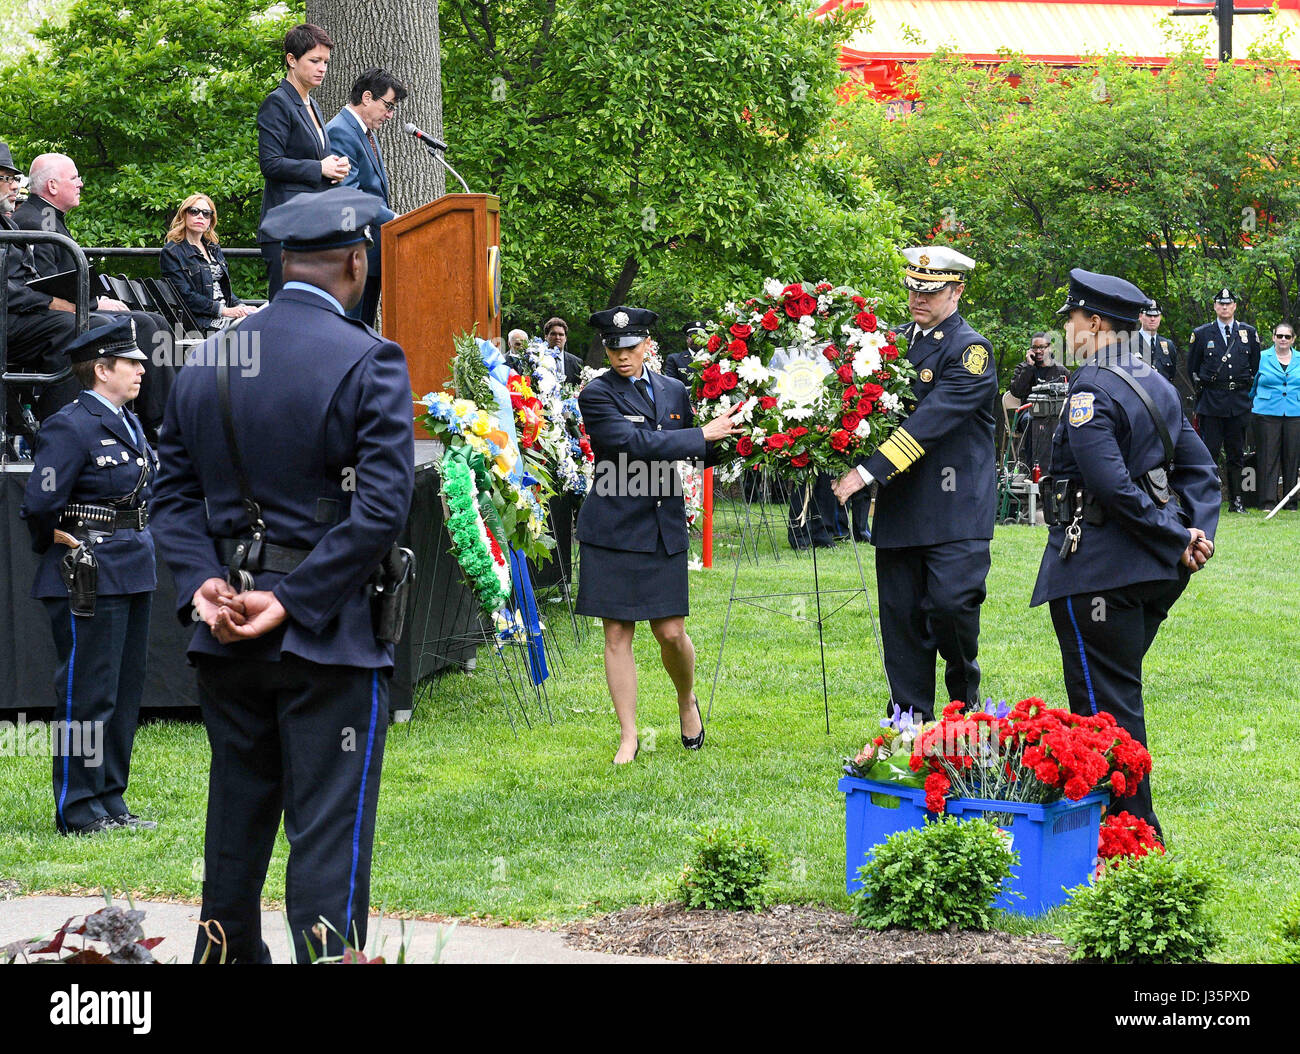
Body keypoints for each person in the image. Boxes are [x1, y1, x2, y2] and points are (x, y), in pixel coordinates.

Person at [151, 188, 414, 963]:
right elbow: (381, 511)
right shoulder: (370, 359)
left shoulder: (212, 358)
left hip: (225, 626)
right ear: (356, 263)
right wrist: (294, 602)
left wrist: (202, 581)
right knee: (326, 841)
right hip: (326, 638)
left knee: (235, 827)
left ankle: (223, 956)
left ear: (280, 261)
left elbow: (169, 490)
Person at [1032, 269, 1220, 838]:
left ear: (1093, 323)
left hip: (1099, 572)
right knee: (1120, 699)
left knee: (1103, 713)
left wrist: (1175, 537)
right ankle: (1127, 831)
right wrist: (1192, 536)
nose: (1067, 328)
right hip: (1154, 573)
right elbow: (1201, 471)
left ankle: (1129, 836)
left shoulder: (1092, 389)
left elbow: (1111, 487)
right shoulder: (1154, 381)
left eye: (1072, 319)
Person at [832, 246, 997, 721]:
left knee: (950, 609)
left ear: (957, 290)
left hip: (954, 510)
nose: (918, 299)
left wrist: (864, 473)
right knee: (902, 620)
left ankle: (964, 701)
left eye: (931, 291)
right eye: (913, 289)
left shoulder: (972, 350)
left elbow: (930, 421)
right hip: (904, 506)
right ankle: (909, 721)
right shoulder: (891, 344)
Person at [575, 305, 744, 764]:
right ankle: (628, 734)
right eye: (613, 348)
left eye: (630, 347)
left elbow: (698, 451)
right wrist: (700, 435)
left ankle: (686, 701)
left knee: (671, 633)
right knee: (617, 634)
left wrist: (748, 433)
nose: (622, 356)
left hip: (661, 525)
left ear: (648, 345)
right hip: (612, 525)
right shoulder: (596, 394)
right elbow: (630, 445)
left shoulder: (674, 390)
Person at [19, 319, 158, 835]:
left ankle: (109, 799)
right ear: (102, 370)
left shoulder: (128, 420)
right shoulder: (70, 424)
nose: (142, 368)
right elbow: (40, 504)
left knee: (123, 691)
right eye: (131, 361)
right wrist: (64, 551)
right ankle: (78, 806)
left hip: (132, 565)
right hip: (88, 572)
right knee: (88, 691)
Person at [11, 152, 173, 439]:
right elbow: (47, 286)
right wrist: (95, 303)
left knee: (154, 322)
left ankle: (163, 421)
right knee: (138, 324)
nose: (80, 183)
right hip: (39, 317)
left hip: (53, 311)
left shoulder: (47, 217)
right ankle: (153, 424)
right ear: (51, 186)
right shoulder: (38, 221)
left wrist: (95, 302)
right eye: (74, 178)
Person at [256, 22, 350, 298]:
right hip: (287, 230)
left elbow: (311, 159)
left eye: (326, 62)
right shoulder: (277, 103)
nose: (322, 68)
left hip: (314, 228)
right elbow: (270, 163)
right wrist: (319, 167)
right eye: (315, 60)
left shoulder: (313, 104)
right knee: (287, 314)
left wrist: (333, 168)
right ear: (292, 60)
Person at [0, 140, 79, 423]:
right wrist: (49, 302)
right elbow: (4, 289)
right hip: (8, 319)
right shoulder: (27, 221)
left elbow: (26, 278)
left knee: (95, 325)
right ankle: (60, 430)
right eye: (8, 178)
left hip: (16, 316)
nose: (15, 186)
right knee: (71, 327)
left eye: (15, 179)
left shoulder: (8, 223)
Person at [326, 68, 408, 327]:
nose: (390, 115)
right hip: (350, 252)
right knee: (347, 333)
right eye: (388, 106)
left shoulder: (365, 133)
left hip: (369, 253)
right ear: (367, 97)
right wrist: (394, 219)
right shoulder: (341, 131)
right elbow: (350, 195)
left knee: (362, 331)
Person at [1187, 288, 1260, 513]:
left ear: (1235, 306)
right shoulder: (1202, 334)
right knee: (1210, 452)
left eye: (1229, 304)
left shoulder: (1248, 332)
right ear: (1215, 307)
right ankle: (1209, 501)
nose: (1225, 307)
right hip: (1211, 401)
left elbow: (1255, 367)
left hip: (1238, 402)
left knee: (1236, 453)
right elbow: (1192, 368)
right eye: (1221, 304)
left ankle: (1236, 500)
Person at [159, 193, 256, 334]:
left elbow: (224, 290)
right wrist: (224, 311)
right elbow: (185, 296)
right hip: (200, 322)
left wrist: (241, 306)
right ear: (184, 215)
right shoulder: (172, 252)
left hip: (226, 315)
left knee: (265, 322)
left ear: (211, 220)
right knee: (253, 330)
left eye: (206, 214)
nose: (200, 217)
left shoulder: (213, 248)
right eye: (194, 211)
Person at [1251, 321, 1299, 511]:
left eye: (1287, 336)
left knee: (1292, 458)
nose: (1283, 340)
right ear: (1273, 337)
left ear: (1293, 339)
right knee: (1268, 457)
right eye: (1279, 336)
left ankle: (1290, 501)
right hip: (1266, 412)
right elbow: (1252, 383)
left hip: (1295, 412)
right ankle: (1267, 502)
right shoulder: (1261, 357)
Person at [1008, 331, 1070, 471]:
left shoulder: (1061, 370)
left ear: (1050, 348)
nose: (1038, 351)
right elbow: (1016, 391)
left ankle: (1059, 466)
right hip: (1029, 413)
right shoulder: (1023, 368)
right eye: (1035, 348)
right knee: (1032, 420)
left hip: (1055, 413)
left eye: (1042, 347)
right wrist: (1029, 367)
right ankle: (1030, 468)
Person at [1135, 300, 1180, 384]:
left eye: (1156, 315)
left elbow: (1171, 376)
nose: (1153, 319)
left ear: (1160, 317)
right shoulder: (1129, 343)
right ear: (1140, 316)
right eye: (1149, 315)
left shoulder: (1168, 346)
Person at [662, 320, 706, 388]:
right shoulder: (675, 359)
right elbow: (670, 386)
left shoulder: (714, 357)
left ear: (705, 338)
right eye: (692, 336)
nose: (696, 339)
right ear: (687, 339)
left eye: (700, 336)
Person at [542, 317, 584, 384]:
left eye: (561, 334)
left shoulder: (577, 363)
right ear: (546, 336)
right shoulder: (538, 359)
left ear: (566, 338)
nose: (557, 337)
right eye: (553, 334)